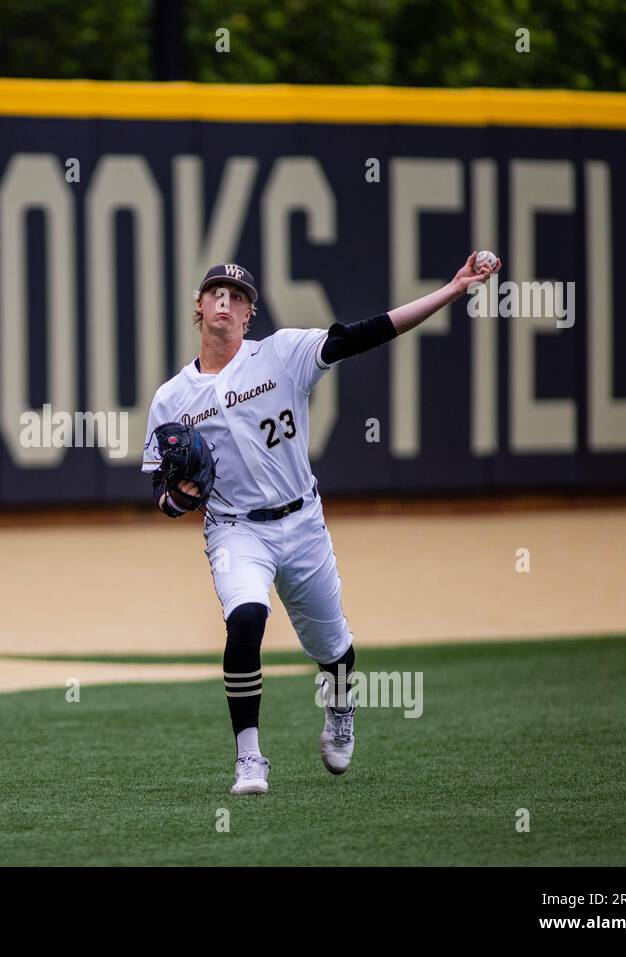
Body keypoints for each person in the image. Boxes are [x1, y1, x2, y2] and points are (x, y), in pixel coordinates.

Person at [141, 254, 502, 795]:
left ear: (249, 313)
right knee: (245, 620)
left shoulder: (283, 355)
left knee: (333, 649)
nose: (224, 300)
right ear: (198, 305)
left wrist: (451, 290)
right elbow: (161, 493)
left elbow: (368, 333)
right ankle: (249, 758)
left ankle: (339, 707)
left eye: (237, 296)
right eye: (215, 291)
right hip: (236, 529)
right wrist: (178, 497)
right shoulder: (171, 398)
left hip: (302, 521)